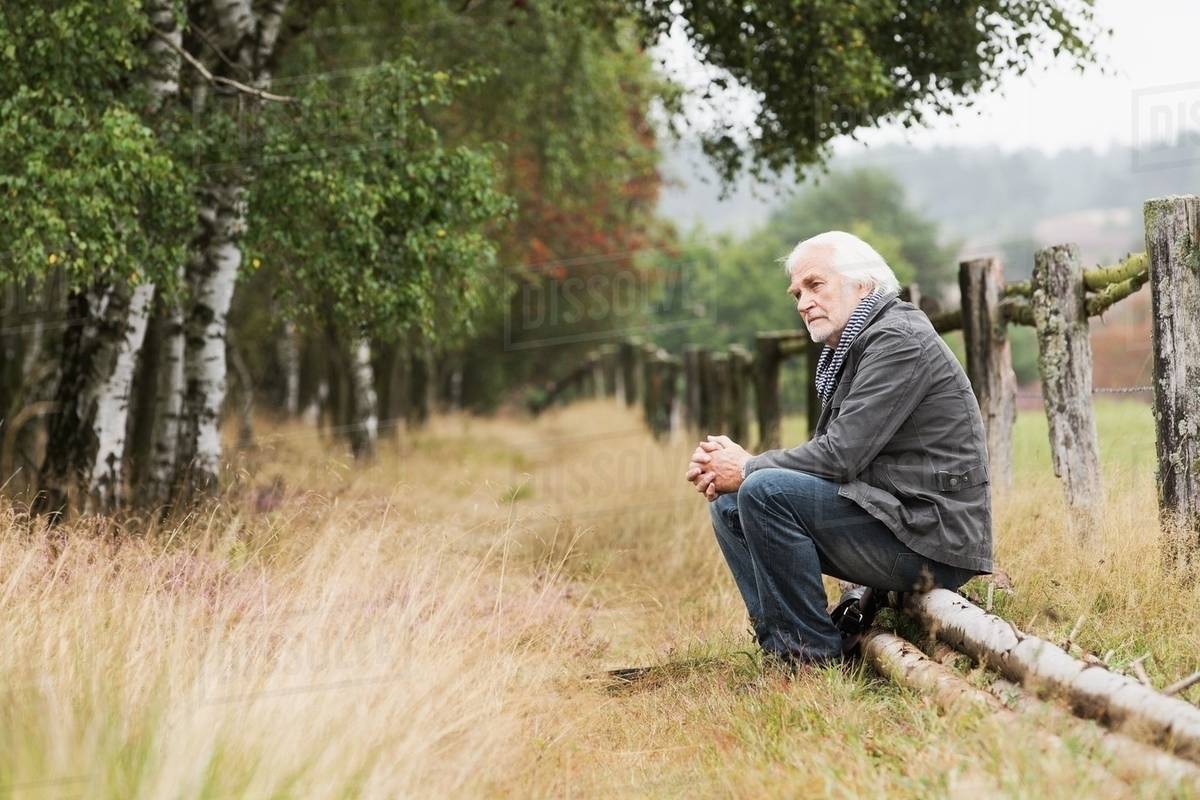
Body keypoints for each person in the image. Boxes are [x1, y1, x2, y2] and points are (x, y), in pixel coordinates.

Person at [685, 231, 992, 665]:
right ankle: (783, 647)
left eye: (815, 285)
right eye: (796, 293)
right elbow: (831, 457)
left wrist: (748, 464)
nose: (802, 302)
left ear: (862, 285)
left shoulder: (896, 339)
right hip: (896, 517)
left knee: (762, 490)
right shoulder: (852, 346)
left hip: (932, 538)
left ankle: (809, 659)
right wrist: (732, 471)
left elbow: (839, 456)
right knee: (730, 502)